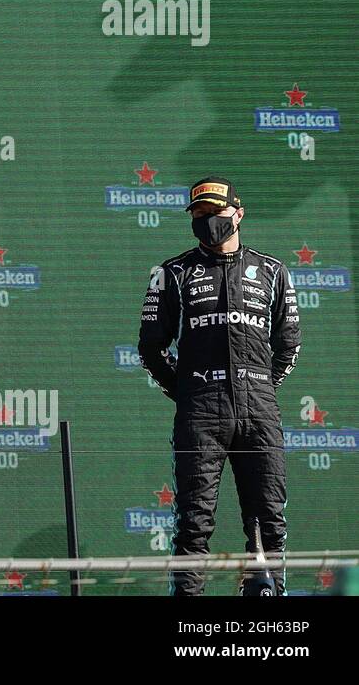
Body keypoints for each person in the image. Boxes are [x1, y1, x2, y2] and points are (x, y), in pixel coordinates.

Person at [137, 176, 300, 595]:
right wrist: (190, 392)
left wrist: (260, 385)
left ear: (238, 213)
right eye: (199, 215)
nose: (208, 221)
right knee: (193, 523)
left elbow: (288, 344)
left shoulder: (273, 271)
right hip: (201, 414)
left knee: (269, 522)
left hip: (259, 410)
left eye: (216, 213)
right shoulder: (172, 272)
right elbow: (151, 348)